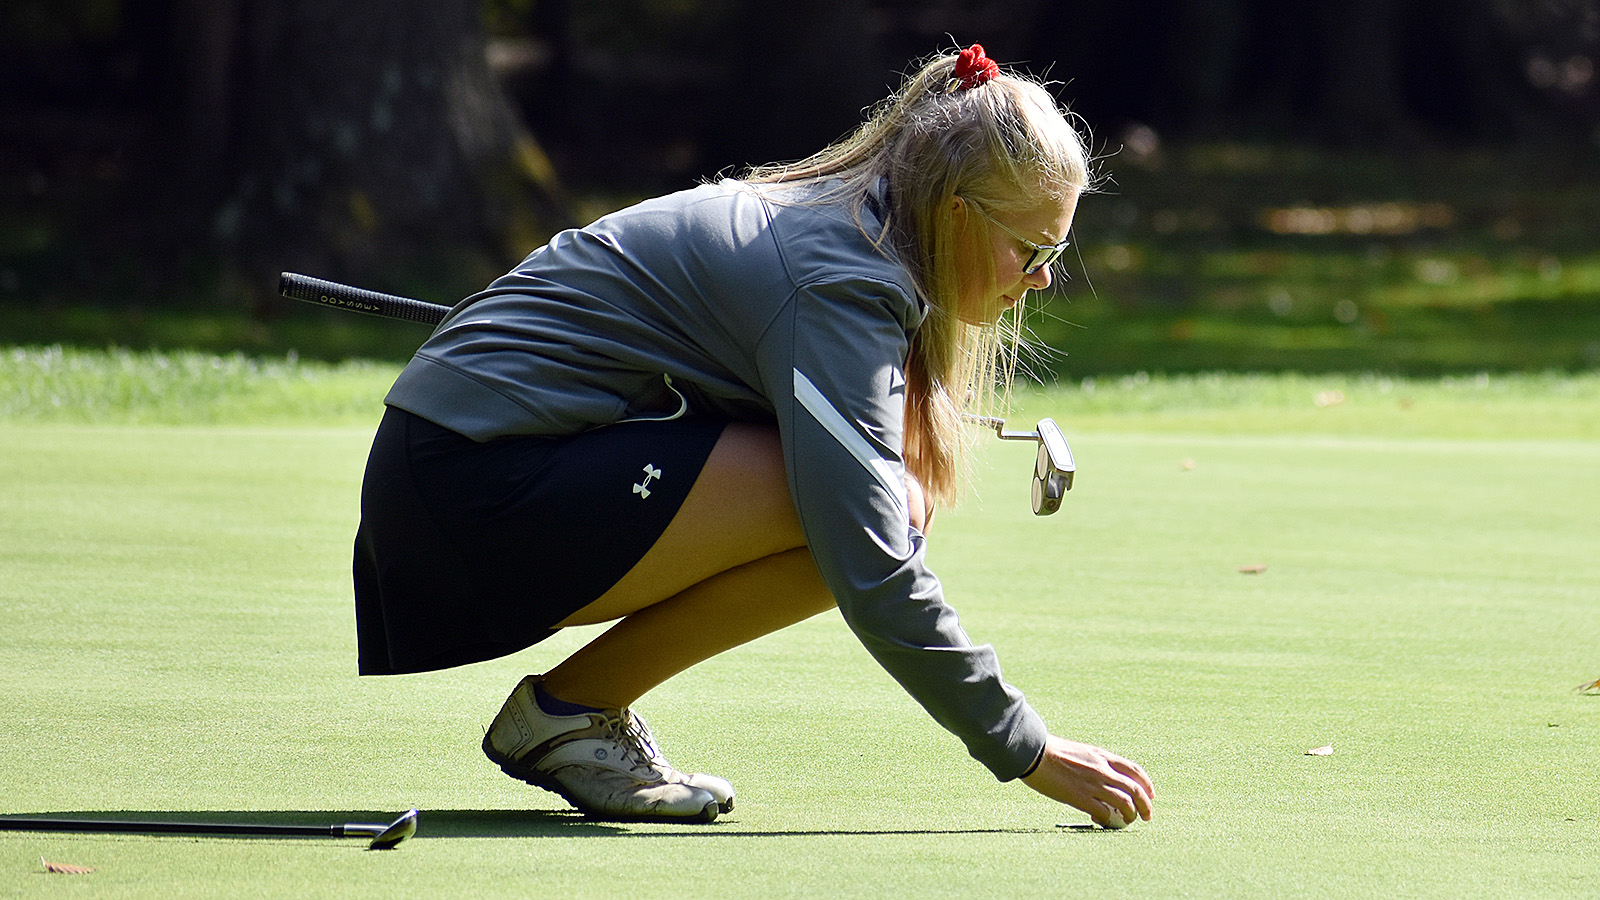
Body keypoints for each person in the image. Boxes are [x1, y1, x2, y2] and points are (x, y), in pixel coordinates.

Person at [353, 44, 1156, 827]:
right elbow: (871, 559)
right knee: (882, 513)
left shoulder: (854, 229)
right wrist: (1027, 747)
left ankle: (570, 712)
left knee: (887, 494)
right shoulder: (839, 281)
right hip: (463, 489)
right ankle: (572, 712)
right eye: (1035, 247)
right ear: (956, 214)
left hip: (462, 472)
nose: (1044, 277)